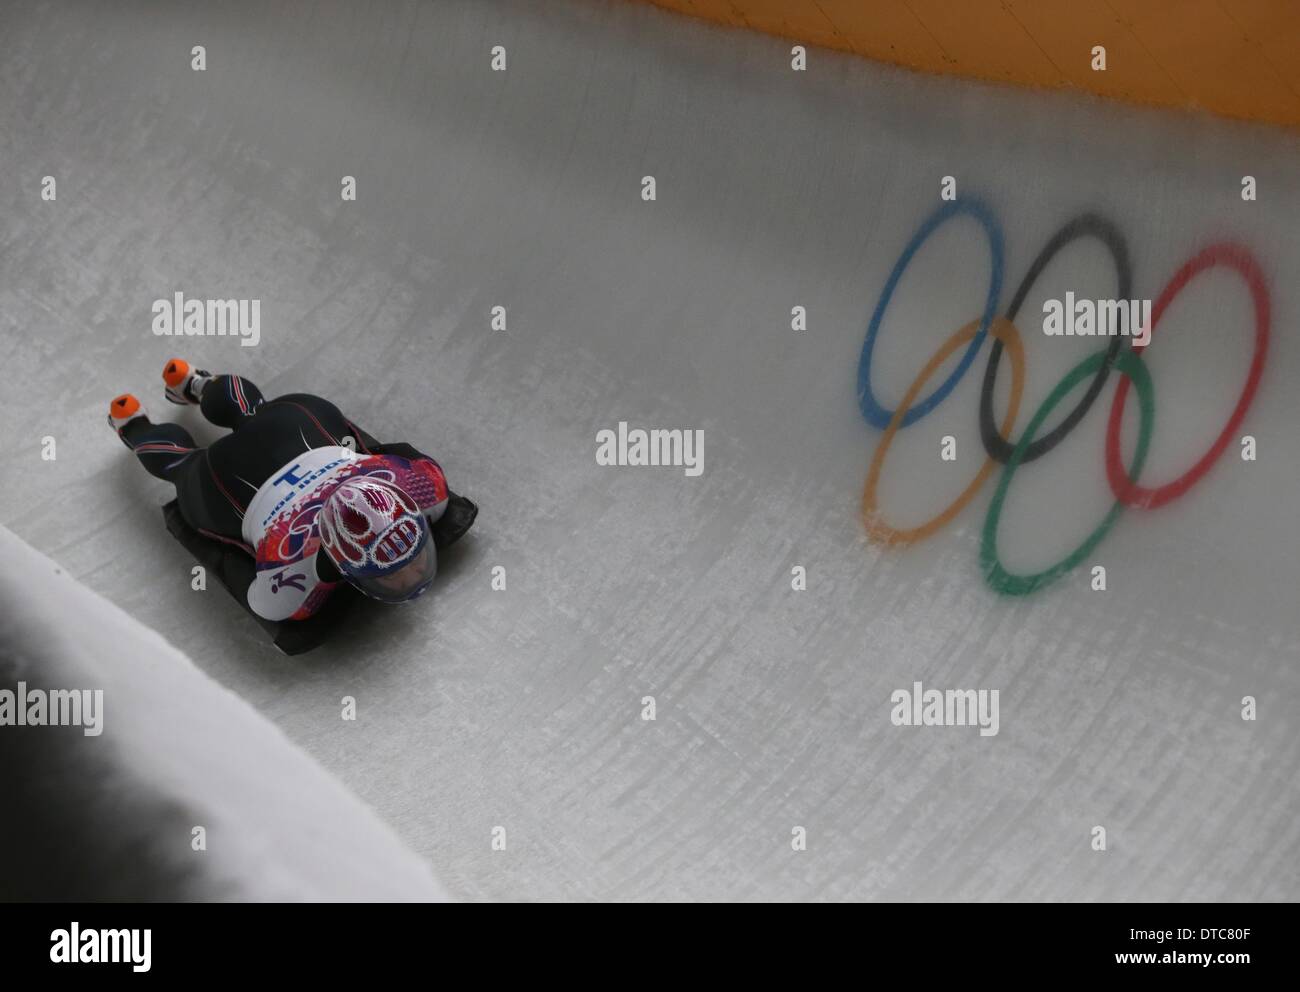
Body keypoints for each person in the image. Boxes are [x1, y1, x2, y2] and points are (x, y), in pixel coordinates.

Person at [107, 359, 476, 621]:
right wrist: (322, 578)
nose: (413, 577)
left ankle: (187, 388)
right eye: (401, 574)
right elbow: (263, 602)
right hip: (229, 483)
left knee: (259, 412)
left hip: (298, 426)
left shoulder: (427, 490)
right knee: (187, 470)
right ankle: (139, 426)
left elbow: (400, 454)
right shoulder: (292, 569)